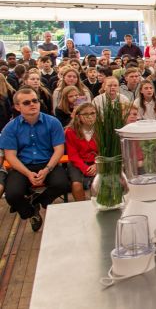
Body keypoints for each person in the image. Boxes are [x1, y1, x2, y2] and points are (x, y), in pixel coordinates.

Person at [0, 88, 71, 232]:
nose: (32, 104)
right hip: (22, 165)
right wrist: (27, 173)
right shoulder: (10, 128)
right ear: (17, 107)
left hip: (48, 163)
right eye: (27, 102)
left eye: (35, 100)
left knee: (63, 184)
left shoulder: (53, 122)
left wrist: (46, 170)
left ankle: (38, 201)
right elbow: (10, 155)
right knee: (12, 194)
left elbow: (59, 149)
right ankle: (31, 212)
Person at [64, 103, 98, 201]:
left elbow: (104, 150)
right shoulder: (70, 131)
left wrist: (97, 164)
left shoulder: (101, 128)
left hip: (97, 162)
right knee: (77, 185)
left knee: (99, 183)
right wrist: (85, 168)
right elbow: (73, 155)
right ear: (78, 116)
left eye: (93, 113)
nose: (90, 117)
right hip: (78, 163)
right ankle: (81, 205)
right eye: (86, 114)